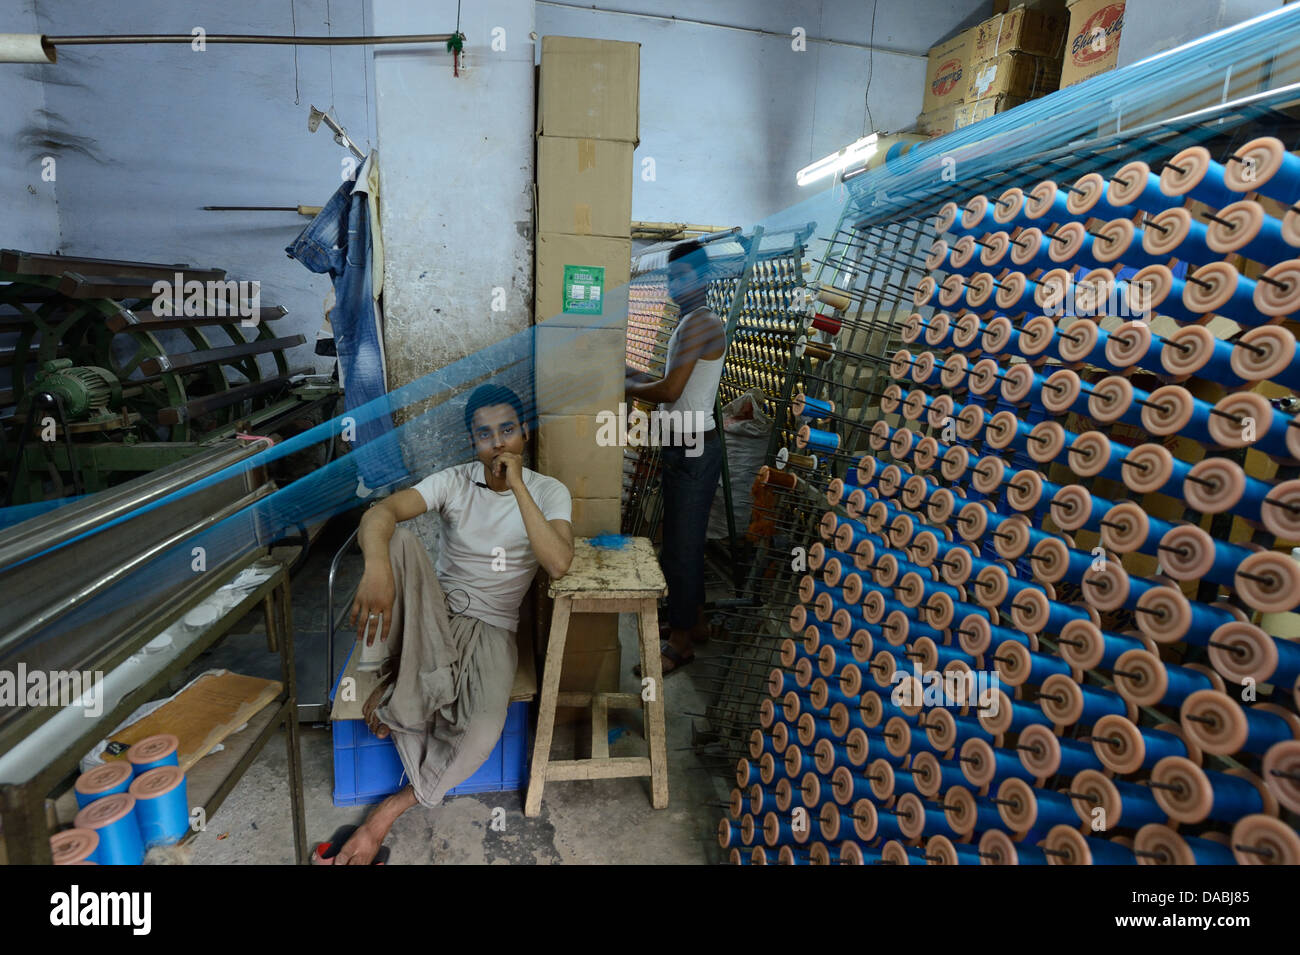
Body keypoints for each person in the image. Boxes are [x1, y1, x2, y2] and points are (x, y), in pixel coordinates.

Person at [327, 383, 574, 864]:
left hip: (492, 625)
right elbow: (383, 512)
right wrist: (376, 566)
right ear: (472, 443)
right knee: (396, 541)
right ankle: (396, 680)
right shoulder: (456, 480)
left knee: (481, 731)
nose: (498, 443)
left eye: (507, 430)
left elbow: (559, 562)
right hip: (434, 612)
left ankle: (389, 806)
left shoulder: (548, 491)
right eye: (485, 434)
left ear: (525, 431)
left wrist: (518, 486)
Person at [625, 239, 727, 675]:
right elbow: (669, 383)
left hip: (692, 446)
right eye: (670, 276)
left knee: (681, 550)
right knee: (683, 541)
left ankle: (682, 645)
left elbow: (668, 392)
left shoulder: (699, 324)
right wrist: (631, 373)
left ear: (703, 277)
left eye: (683, 275)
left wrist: (625, 388)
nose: (674, 284)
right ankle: (696, 623)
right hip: (684, 442)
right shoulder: (689, 323)